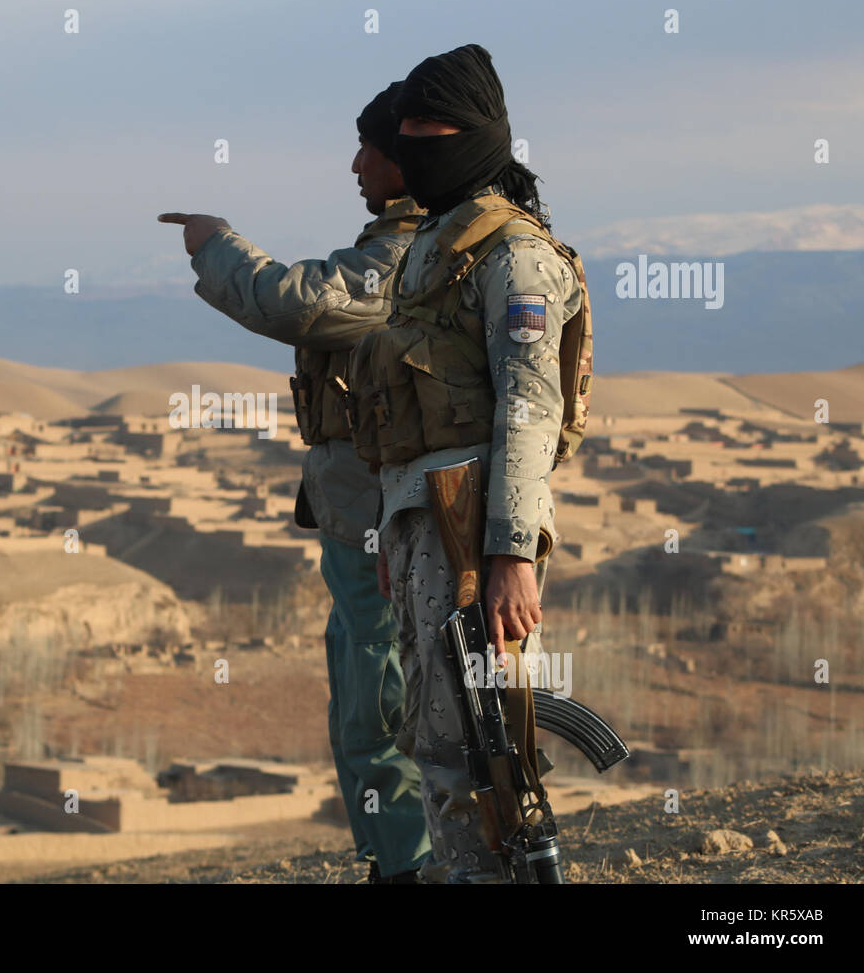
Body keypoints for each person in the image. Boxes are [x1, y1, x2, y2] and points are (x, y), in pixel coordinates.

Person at [157, 84, 430, 883]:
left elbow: (297, 305)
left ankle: (409, 867)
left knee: (378, 711)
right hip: (362, 518)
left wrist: (216, 246)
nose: (355, 165)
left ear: (405, 161)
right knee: (369, 700)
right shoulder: (416, 244)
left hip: (384, 522)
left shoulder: (409, 255)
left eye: (370, 151)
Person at [348, 44, 588, 883]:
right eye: (404, 126)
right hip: (423, 525)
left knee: (485, 754)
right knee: (438, 749)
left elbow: (529, 408)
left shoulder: (512, 256)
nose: (413, 141)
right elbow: (402, 416)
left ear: (479, 135)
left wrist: (512, 553)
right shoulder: (430, 248)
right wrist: (391, 529)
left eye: (431, 126)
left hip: (475, 526)